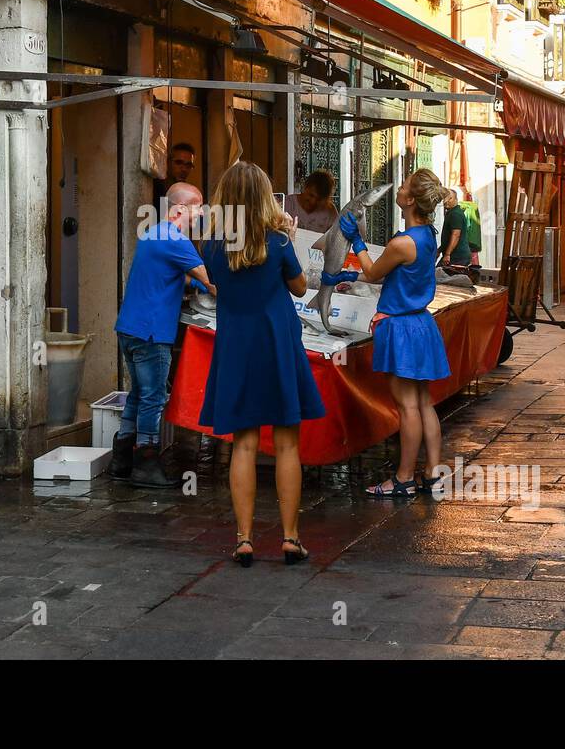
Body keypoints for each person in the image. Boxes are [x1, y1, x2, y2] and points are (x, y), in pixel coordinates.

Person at [199, 161, 325, 567]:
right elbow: (301, 286)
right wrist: (289, 237)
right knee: (287, 442)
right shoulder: (278, 242)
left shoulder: (213, 245)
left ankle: (244, 539)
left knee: (244, 443)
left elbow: (220, 284)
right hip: (277, 342)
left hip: (236, 344)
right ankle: (290, 538)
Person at [325, 169, 452, 500]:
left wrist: (356, 242)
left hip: (401, 327)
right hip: (421, 323)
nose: (400, 188)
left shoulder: (401, 243)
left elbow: (373, 273)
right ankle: (433, 473)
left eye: (405, 186)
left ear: (410, 200)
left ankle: (403, 478)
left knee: (406, 405)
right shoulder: (428, 234)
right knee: (424, 401)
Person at [112, 182, 214, 488]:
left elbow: (169, 276)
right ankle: (146, 461)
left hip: (129, 329)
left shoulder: (153, 235)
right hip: (152, 333)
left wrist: (193, 283)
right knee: (153, 398)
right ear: (180, 210)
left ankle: (121, 460)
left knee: (139, 393)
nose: (200, 214)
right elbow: (211, 282)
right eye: (197, 208)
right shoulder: (177, 240)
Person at [283, 169, 340, 234]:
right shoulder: (287, 203)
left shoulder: (330, 211)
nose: (313, 202)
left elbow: (335, 237)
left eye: (319, 199)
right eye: (311, 195)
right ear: (305, 187)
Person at [153, 142, 197, 207]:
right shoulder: (153, 189)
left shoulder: (188, 195)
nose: (184, 169)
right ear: (167, 162)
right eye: (179, 163)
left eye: (188, 165)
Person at [440, 188, 472, 268]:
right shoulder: (452, 212)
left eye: (450, 198)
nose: (445, 201)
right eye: (444, 198)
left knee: (441, 277)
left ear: (456, 199)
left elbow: (456, 235)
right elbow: (450, 236)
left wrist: (447, 254)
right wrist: (440, 250)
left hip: (457, 256)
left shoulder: (455, 214)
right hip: (454, 255)